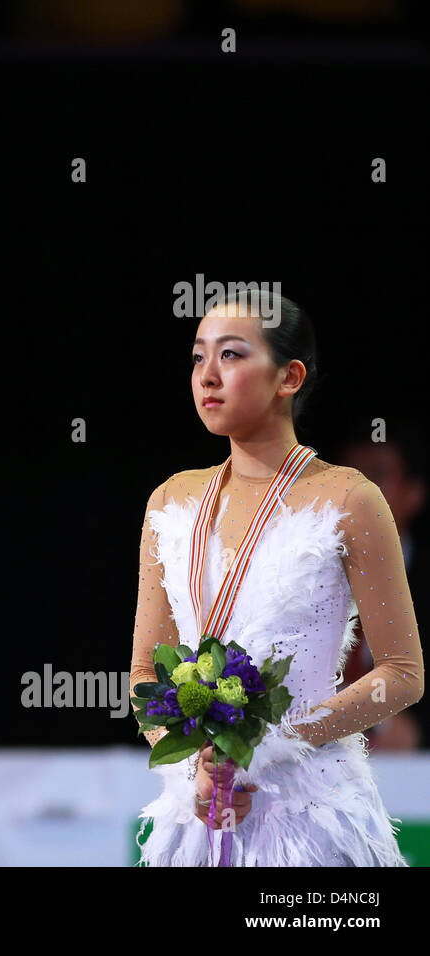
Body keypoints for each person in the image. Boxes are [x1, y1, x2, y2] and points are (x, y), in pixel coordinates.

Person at [129, 290, 423, 866]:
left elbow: (404, 673)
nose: (207, 376)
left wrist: (268, 746)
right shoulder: (171, 499)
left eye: (232, 355)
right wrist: (195, 767)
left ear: (289, 376)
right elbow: (146, 671)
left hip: (312, 814)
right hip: (199, 811)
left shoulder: (349, 497)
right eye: (197, 357)